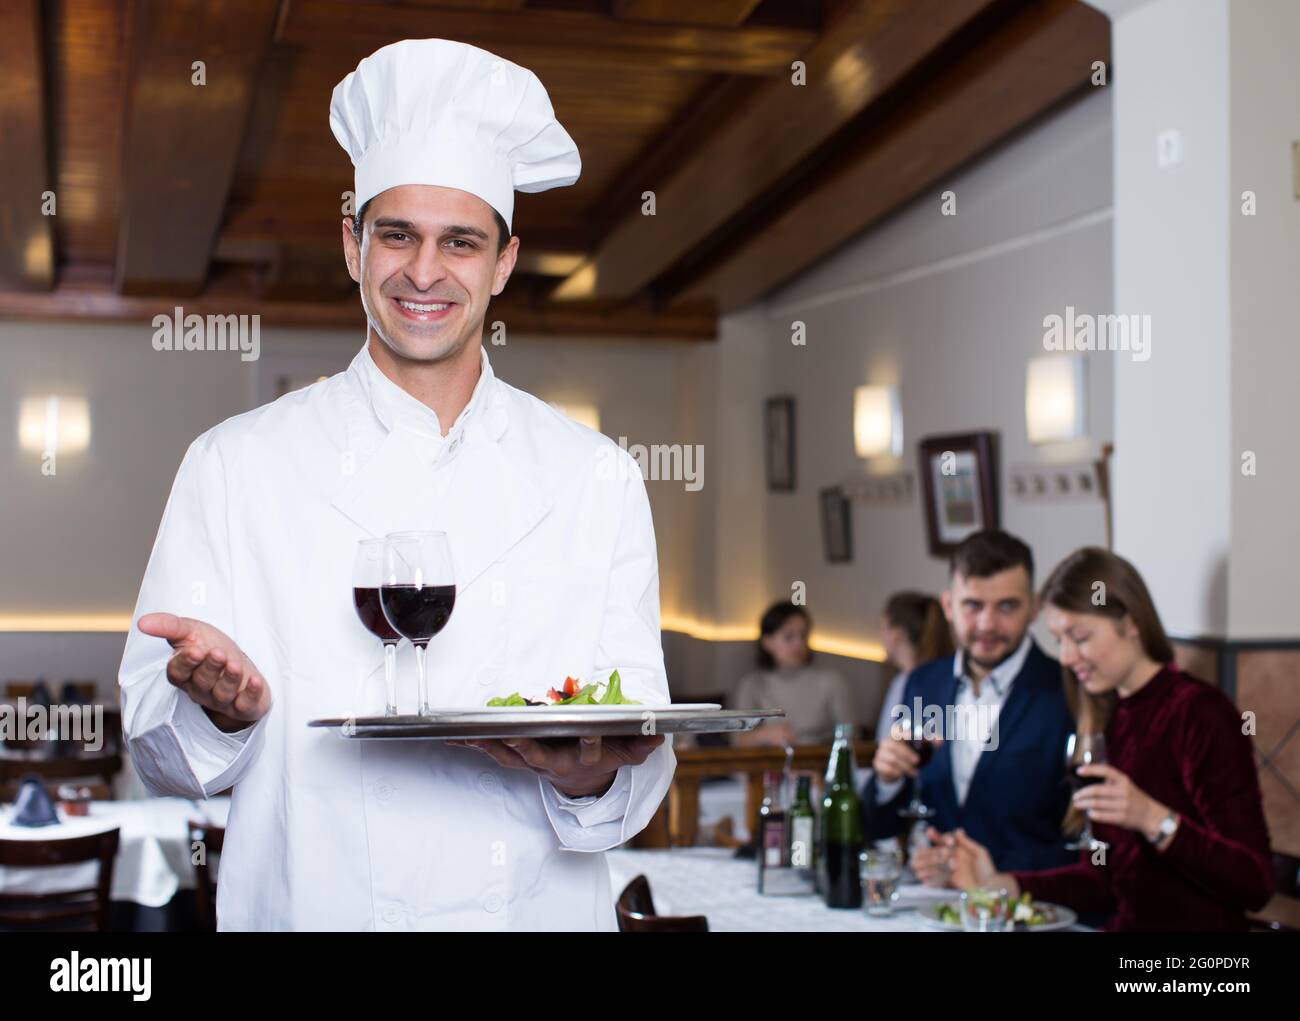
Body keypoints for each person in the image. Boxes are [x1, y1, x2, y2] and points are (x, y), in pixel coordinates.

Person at [117, 38, 674, 931]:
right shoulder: (233, 464)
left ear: (503, 262)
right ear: (352, 245)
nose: (424, 271)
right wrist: (217, 715)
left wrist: (593, 771)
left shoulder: (596, 476)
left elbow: (636, 745)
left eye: (461, 241)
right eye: (397, 235)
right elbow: (161, 755)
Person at [939, 547, 1274, 930]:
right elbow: (1101, 882)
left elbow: (1255, 883)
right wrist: (1003, 883)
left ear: (1130, 623)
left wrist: (1154, 820)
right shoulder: (1104, 717)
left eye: (1079, 637)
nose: (1065, 657)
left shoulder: (1200, 714)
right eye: (1058, 640)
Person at [864, 530, 1075, 872]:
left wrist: (989, 869)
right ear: (949, 605)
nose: (987, 624)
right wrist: (887, 781)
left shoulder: (1068, 692)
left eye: (1007, 606)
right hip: (933, 912)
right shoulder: (922, 684)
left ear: (1034, 607)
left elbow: (1086, 849)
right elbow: (880, 827)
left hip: (1031, 911)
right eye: (973, 606)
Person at [734, 602, 854, 746]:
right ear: (767, 642)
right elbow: (739, 741)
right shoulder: (752, 685)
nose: (798, 644)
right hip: (770, 764)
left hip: (819, 763)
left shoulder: (831, 681)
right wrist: (765, 735)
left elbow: (851, 735)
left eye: (803, 636)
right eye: (789, 637)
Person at [874, 591, 955, 743]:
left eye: (881, 627)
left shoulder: (909, 683)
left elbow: (888, 742)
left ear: (896, 634)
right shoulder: (940, 679)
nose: (879, 634)